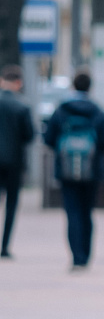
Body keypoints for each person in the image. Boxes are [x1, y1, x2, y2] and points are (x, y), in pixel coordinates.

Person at [43, 68, 104, 270]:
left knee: (72, 212)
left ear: (73, 85)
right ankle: (86, 256)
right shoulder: (97, 111)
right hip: (92, 170)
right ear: (90, 87)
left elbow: (49, 138)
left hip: (66, 170)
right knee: (87, 212)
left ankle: (76, 257)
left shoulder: (61, 110)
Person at [0, 64, 35, 259]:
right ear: (18, 83)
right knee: (11, 204)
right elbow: (29, 135)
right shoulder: (22, 106)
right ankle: (4, 246)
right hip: (14, 161)